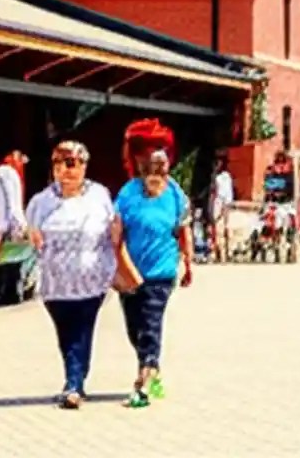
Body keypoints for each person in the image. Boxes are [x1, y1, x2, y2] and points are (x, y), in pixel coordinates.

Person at [25, 141, 125, 409]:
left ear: (83, 166)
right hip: (55, 284)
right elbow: (32, 234)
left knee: (82, 331)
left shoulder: (99, 196)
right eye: (58, 164)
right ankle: (75, 377)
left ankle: (73, 383)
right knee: (66, 335)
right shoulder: (41, 201)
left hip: (90, 280)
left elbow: (112, 230)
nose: (65, 171)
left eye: (71, 164)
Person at [116, 120, 193, 408]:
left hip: (161, 273)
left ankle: (144, 381)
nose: (155, 169)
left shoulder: (175, 193)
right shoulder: (128, 193)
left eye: (161, 162)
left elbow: (182, 229)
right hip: (130, 273)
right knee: (134, 328)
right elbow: (117, 230)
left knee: (150, 324)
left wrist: (188, 262)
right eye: (148, 161)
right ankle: (150, 367)